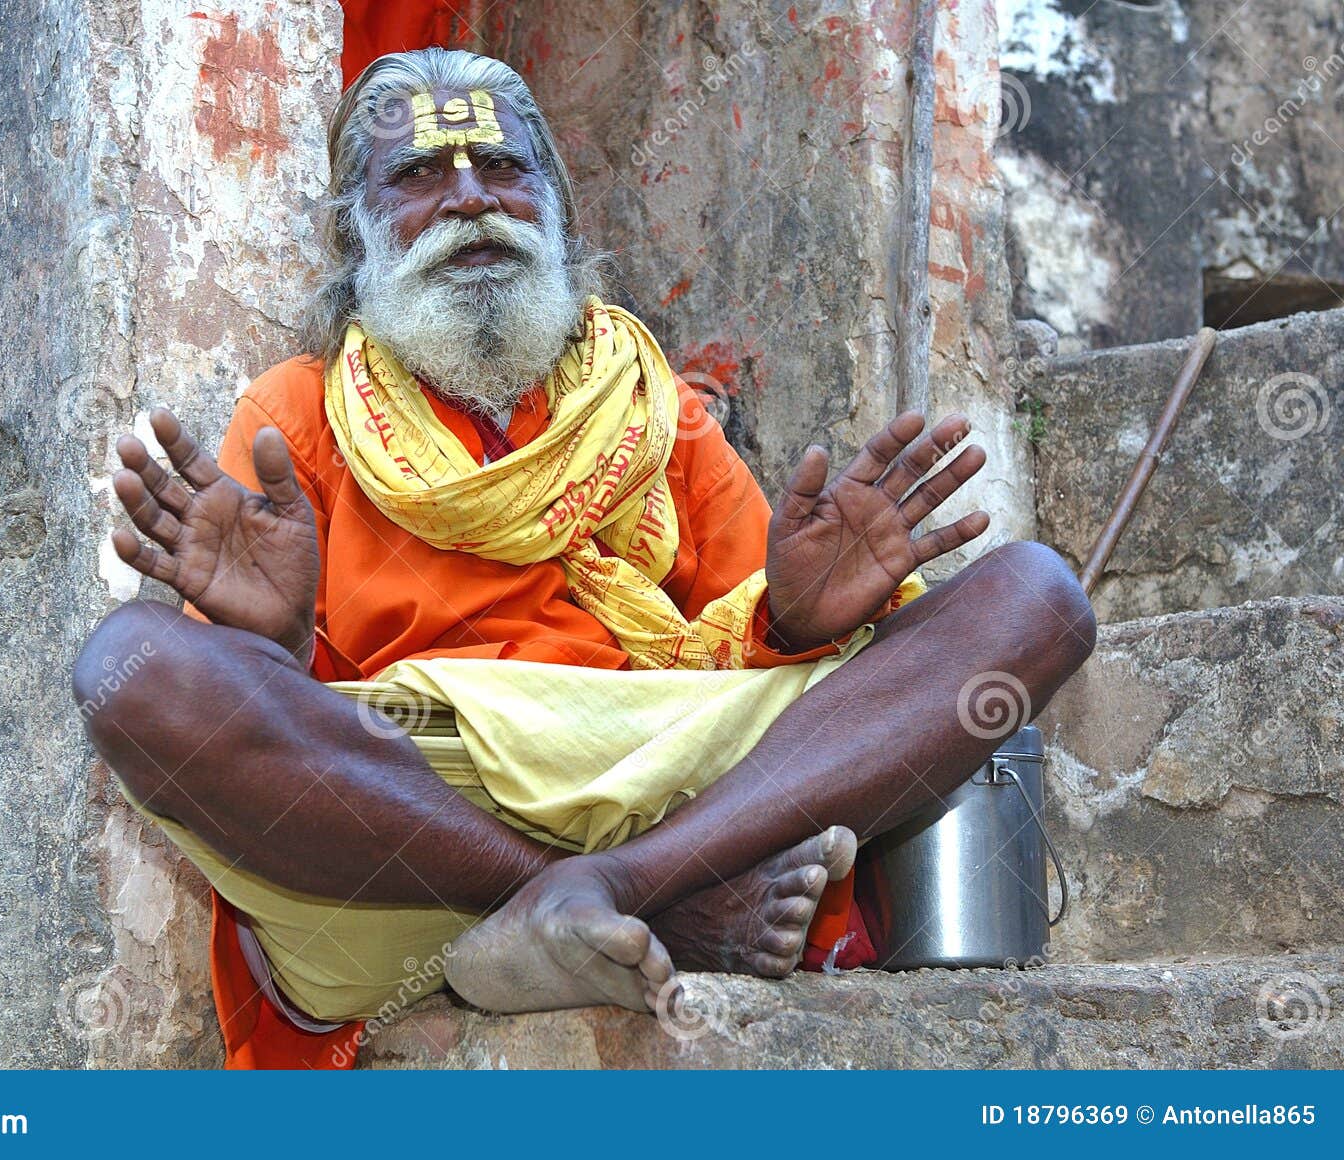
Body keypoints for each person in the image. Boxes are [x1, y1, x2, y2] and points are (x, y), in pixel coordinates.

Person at [72, 47, 1095, 1067]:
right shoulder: (294, 410)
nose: (470, 199)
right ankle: (611, 897)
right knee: (138, 669)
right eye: (420, 176)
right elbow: (283, 748)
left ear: (553, 203)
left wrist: (797, 621)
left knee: (1034, 598)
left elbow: (754, 673)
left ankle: (588, 901)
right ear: (359, 229)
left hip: (674, 780)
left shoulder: (652, 403)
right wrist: (279, 639)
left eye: (500, 167)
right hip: (419, 843)